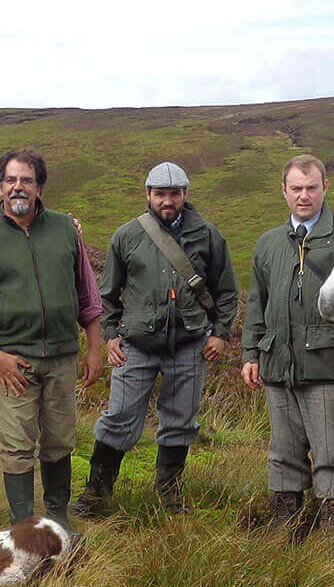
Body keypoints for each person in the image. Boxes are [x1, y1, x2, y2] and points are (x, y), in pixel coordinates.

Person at [73, 161, 237, 515]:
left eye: (174, 194)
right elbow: (107, 295)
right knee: (118, 417)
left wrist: (220, 335)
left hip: (190, 346)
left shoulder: (208, 235)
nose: (167, 201)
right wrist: (112, 335)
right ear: (148, 194)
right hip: (136, 346)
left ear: (185, 195)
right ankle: (96, 495)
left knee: (181, 422)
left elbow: (226, 292)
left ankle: (169, 497)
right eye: (160, 194)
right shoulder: (127, 236)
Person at [0, 147, 106, 527]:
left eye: (27, 180)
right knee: (16, 445)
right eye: (10, 180)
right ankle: (23, 524)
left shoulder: (65, 229)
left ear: (39, 187)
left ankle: (58, 520)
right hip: (13, 361)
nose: (18, 187)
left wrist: (95, 348)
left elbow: (88, 296)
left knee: (60, 440)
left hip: (62, 357)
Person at [240, 153, 334, 535]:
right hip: (277, 361)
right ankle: (285, 520)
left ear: (325, 187)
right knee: (283, 449)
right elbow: (256, 302)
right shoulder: (268, 243)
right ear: (284, 191)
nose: (303, 196)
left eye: (311, 188)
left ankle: (330, 524)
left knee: (332, 451)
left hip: (327, 361)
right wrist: (250, 353)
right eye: (296, 188)